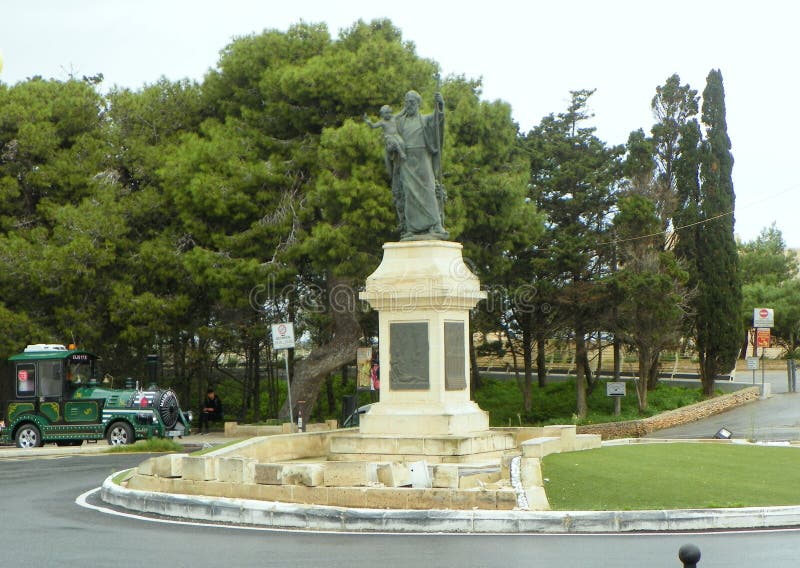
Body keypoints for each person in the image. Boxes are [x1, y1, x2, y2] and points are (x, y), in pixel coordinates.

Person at [392, 89, 448, 240]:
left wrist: (440, 105)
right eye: (407, 102)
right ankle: (412, 228)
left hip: (423, 158)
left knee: (428, 190)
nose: (409, 105)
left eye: (411, 102)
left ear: (418, 104)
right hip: (406, 160)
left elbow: (437, 120)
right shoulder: (401, 122)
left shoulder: (425, 120)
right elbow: (391, 130)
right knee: (409, 194)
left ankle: (435, 224)